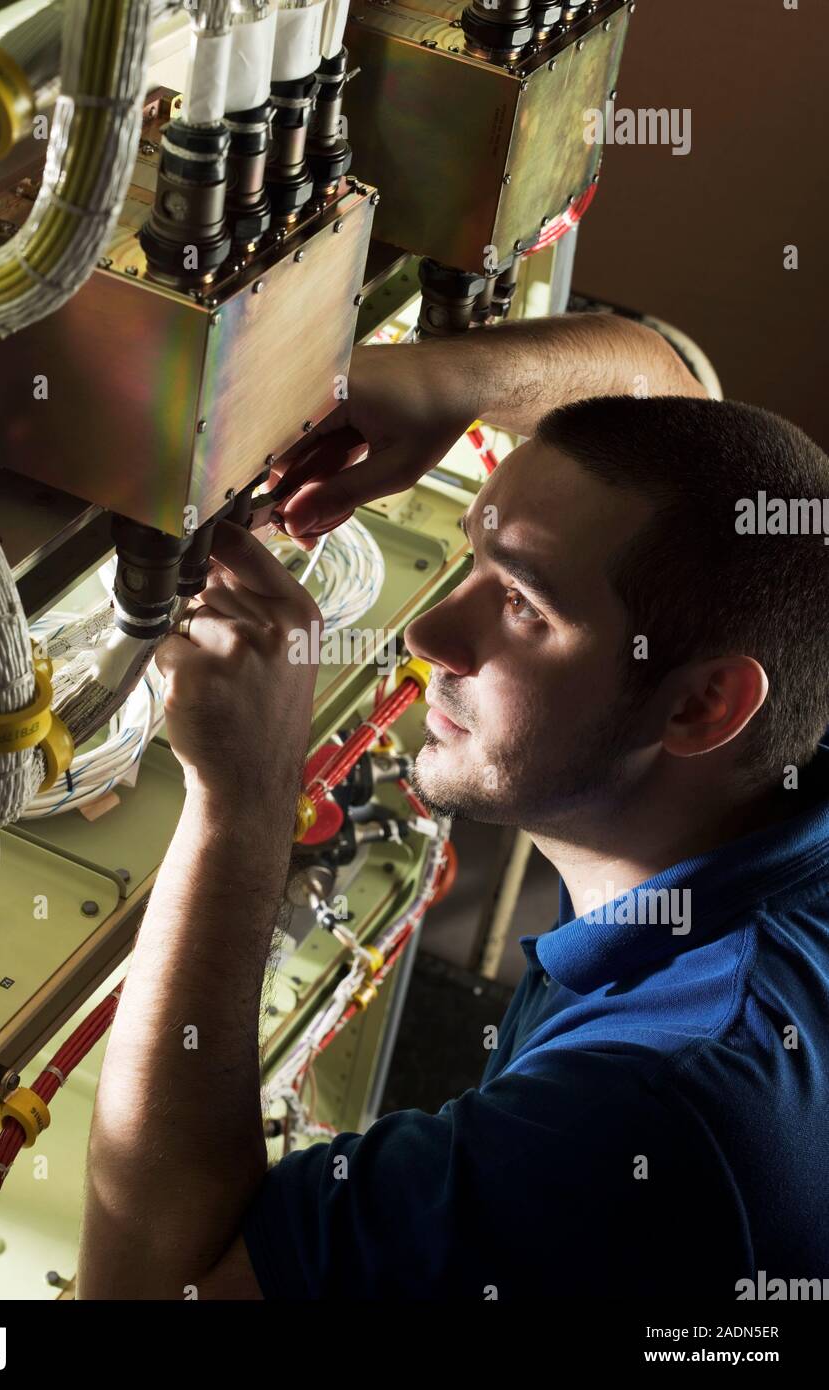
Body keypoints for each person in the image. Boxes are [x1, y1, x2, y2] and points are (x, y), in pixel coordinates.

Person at [77, 313, 829, 1300]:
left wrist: (241, 802)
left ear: (700, 703)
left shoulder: (634, 1113)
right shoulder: (786, 672)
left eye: (522, 603)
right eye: (472, 555)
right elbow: (677, 389)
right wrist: (438, 382)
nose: (430, 631)